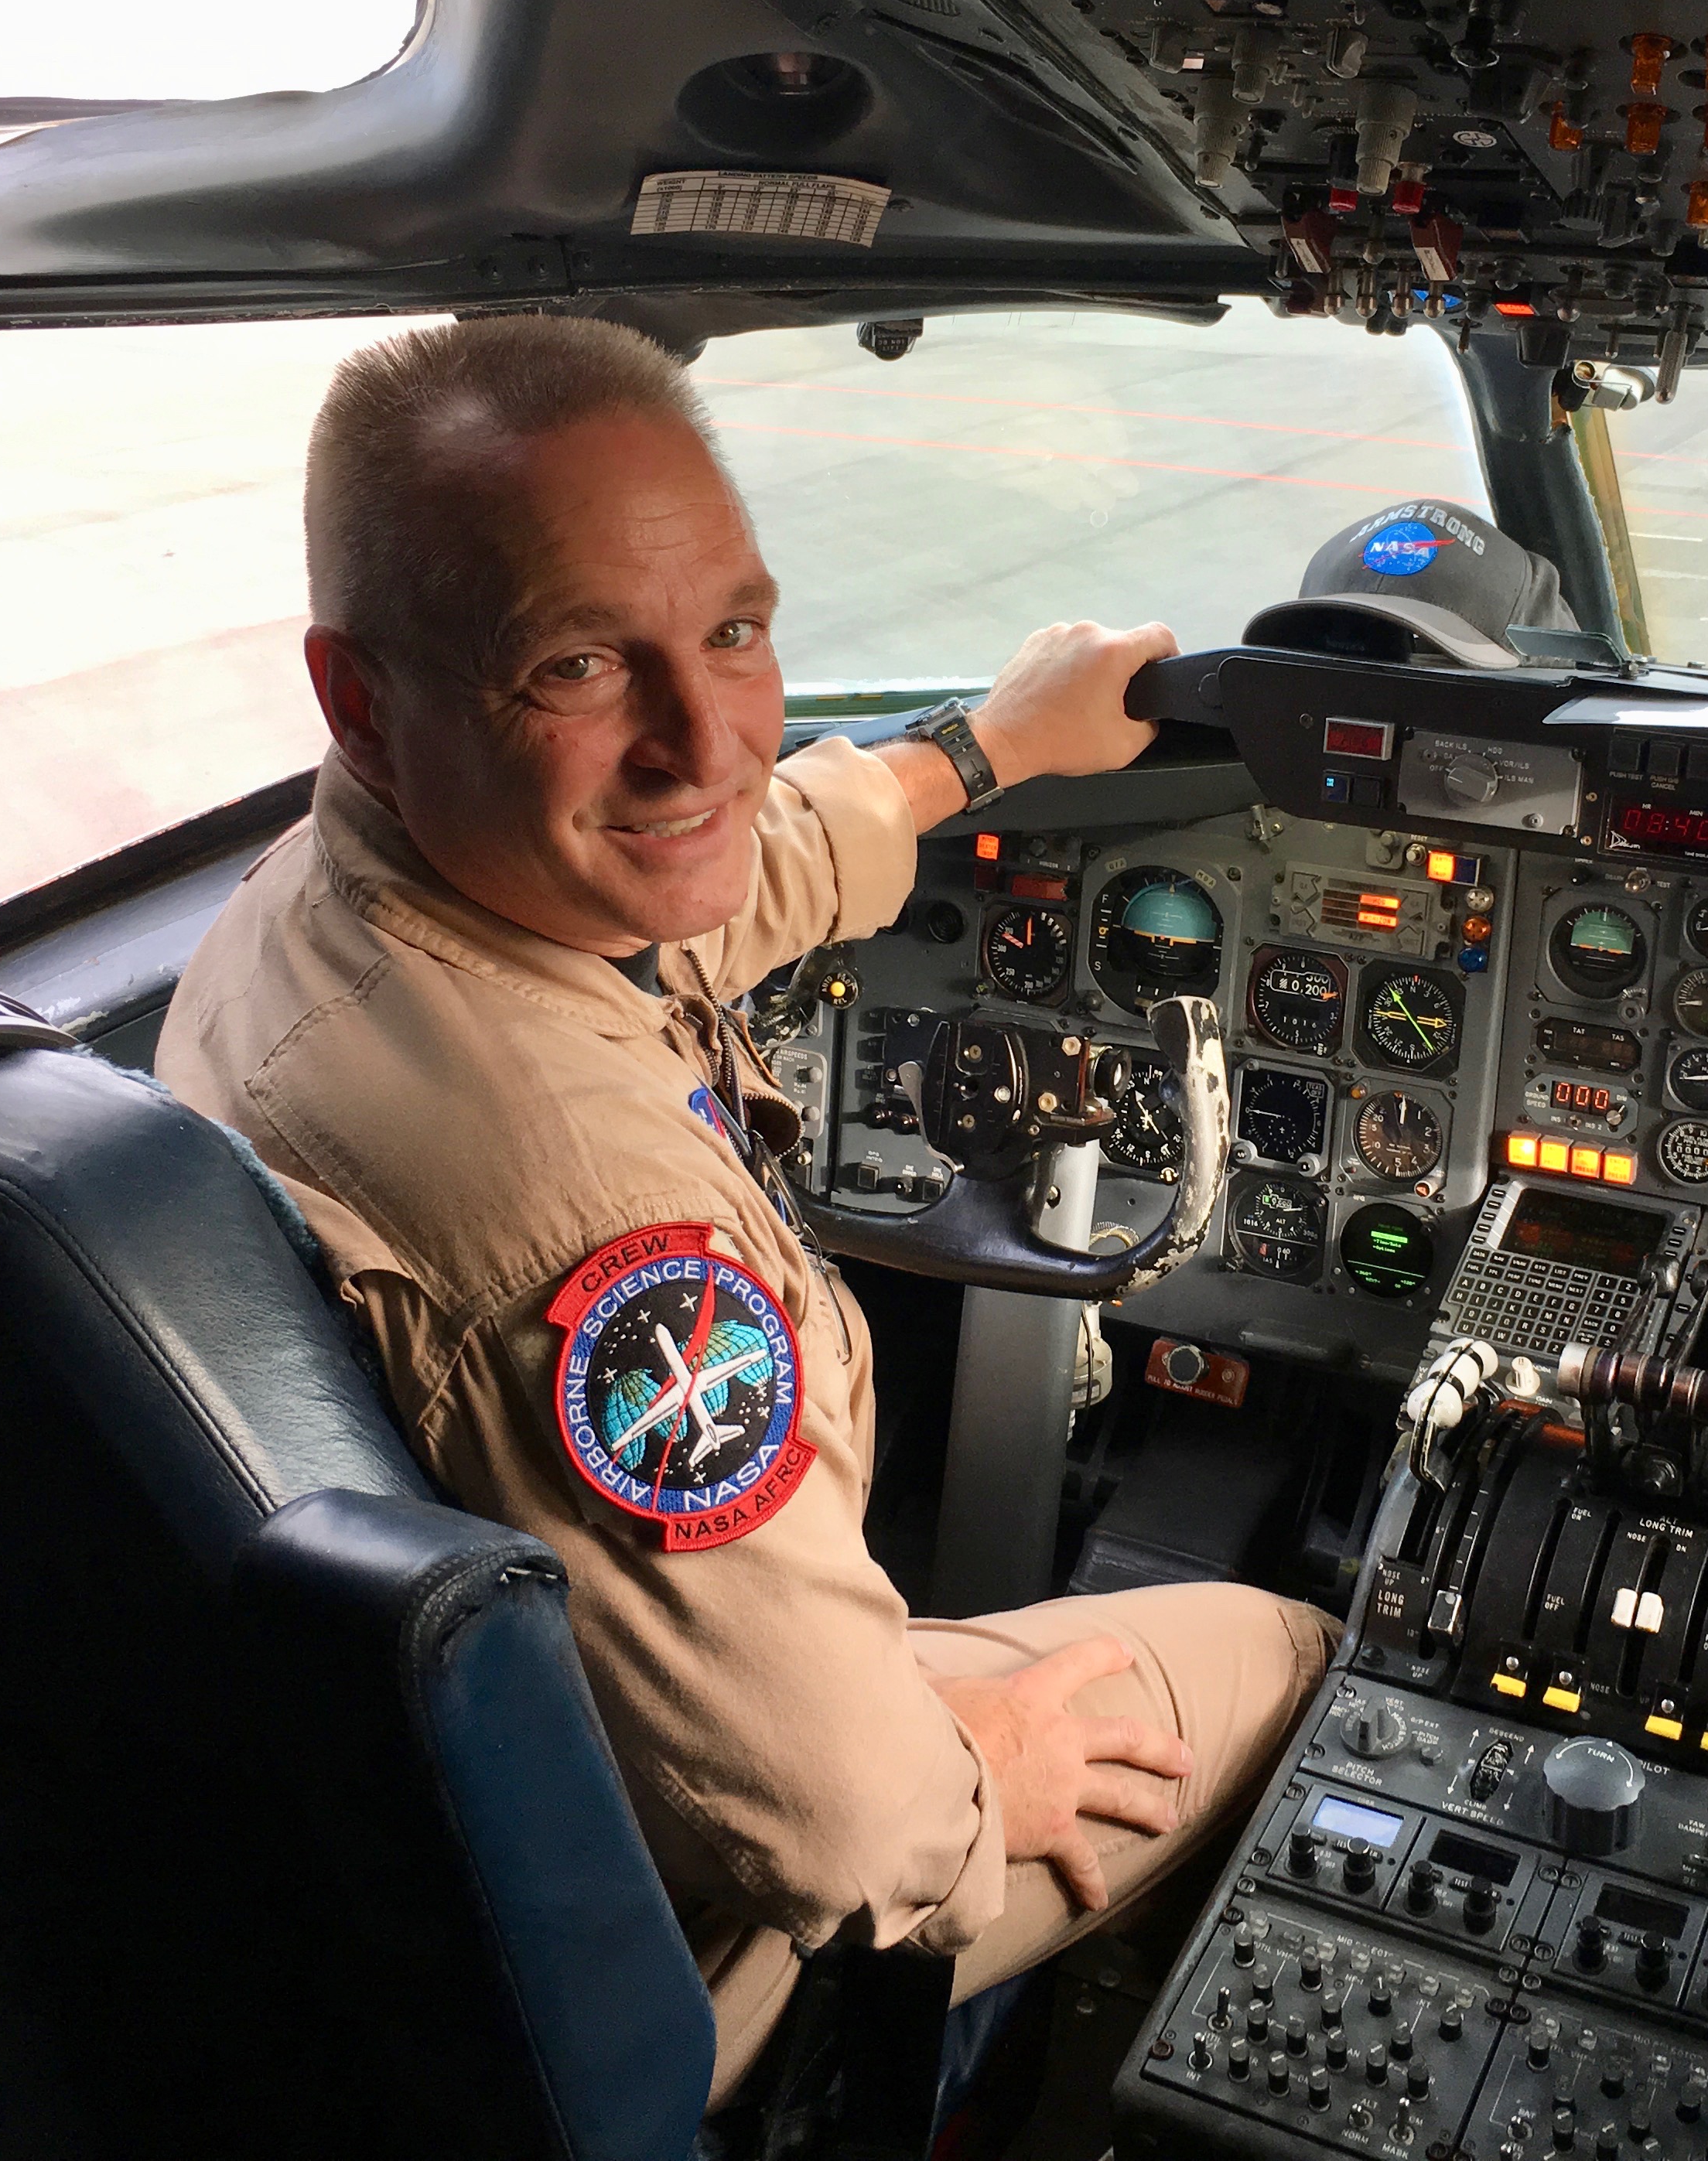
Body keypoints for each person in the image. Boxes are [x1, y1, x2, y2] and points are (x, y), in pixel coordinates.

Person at [157, 315, 1332, 2108]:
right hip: (641, 1957)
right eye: (575, 665)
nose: (703, 741)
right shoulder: (582, 1214)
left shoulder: (338, 891)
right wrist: (971, 1779)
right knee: (1286, 1649)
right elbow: (846, 1833)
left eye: (733, 632)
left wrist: (984, 752)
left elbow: (720, 865)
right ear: (363, 701)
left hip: (408, 1784)